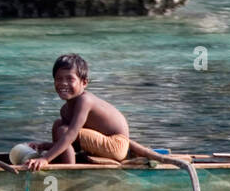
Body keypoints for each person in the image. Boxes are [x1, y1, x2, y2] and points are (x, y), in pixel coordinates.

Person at [25, 54, 164, 171]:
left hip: (117, 145)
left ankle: (68, 173)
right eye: (59, 79)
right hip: (103, 142)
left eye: (70, 79)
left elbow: (71, 135)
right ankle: (63, 162)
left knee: (63, 130)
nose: (63, 83)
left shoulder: (85, 101)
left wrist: (45, 158)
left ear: (84, 83)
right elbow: (70, 142)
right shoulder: (65, 110)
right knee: (58, 125)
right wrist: (44, 146)